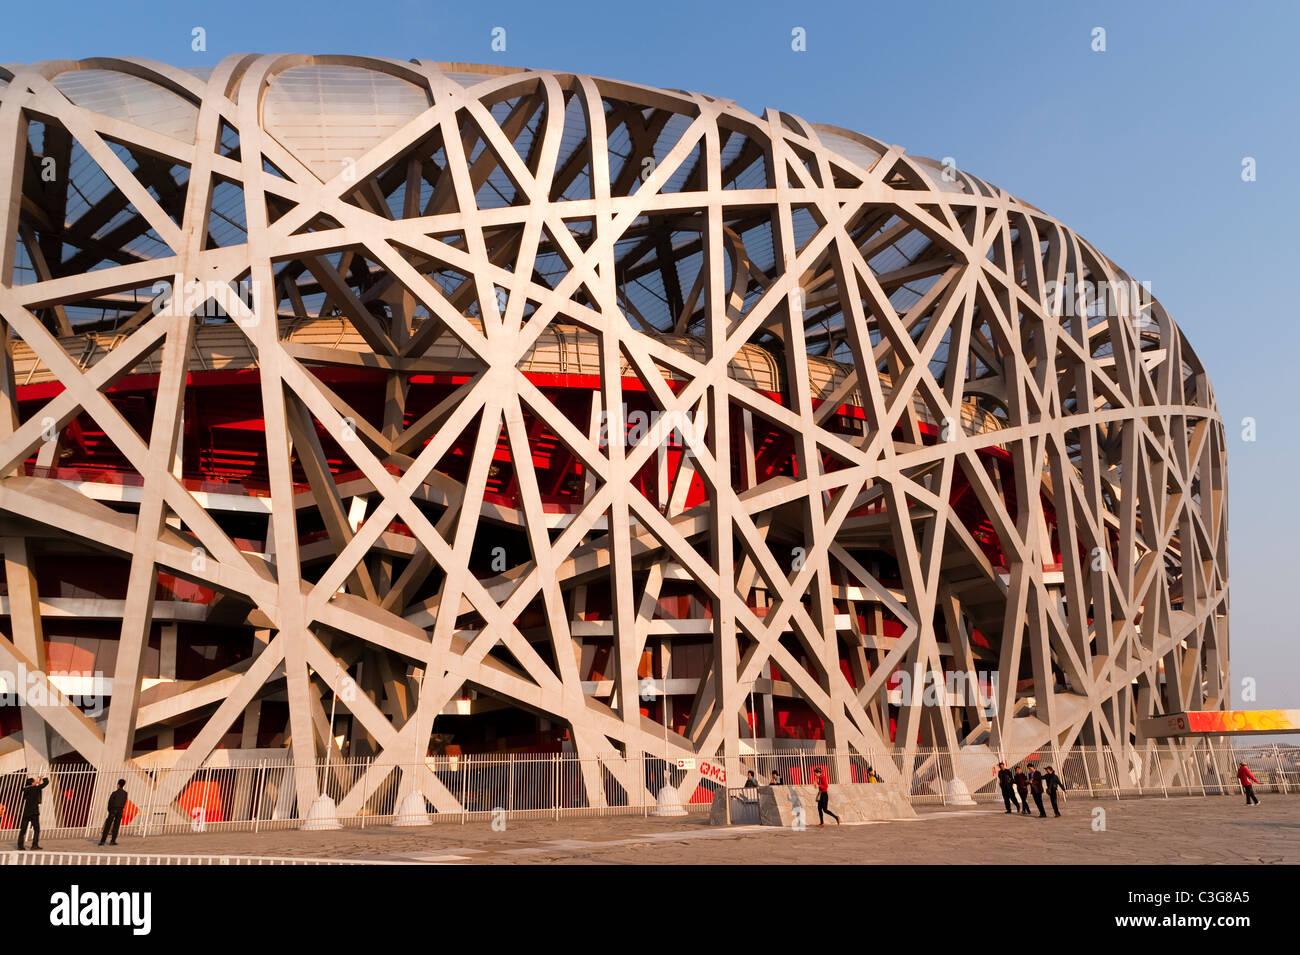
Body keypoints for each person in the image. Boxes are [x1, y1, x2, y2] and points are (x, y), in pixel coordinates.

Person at [17, 774, 49, 850]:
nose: (36, 782)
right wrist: (43, 778)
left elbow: (27, 790)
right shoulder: (35, 788)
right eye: (34, 781)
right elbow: (46, 783)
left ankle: (20, 846)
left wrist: (36, 783)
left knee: (23, 829)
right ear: (32, 783)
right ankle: (34, 845)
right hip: (34, 812)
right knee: (36, 829)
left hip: (26, 812)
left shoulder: (25, 790)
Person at [100, 778, 128, 846]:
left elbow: (110, 802)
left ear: (118, 785)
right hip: (120, 810)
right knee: (116, 826)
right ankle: (113, 840)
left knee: (108, 825)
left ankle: (103, 841)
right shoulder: (125, 793)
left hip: (113, 810)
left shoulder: (114, 793)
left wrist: (110, 810)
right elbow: (124, 802)